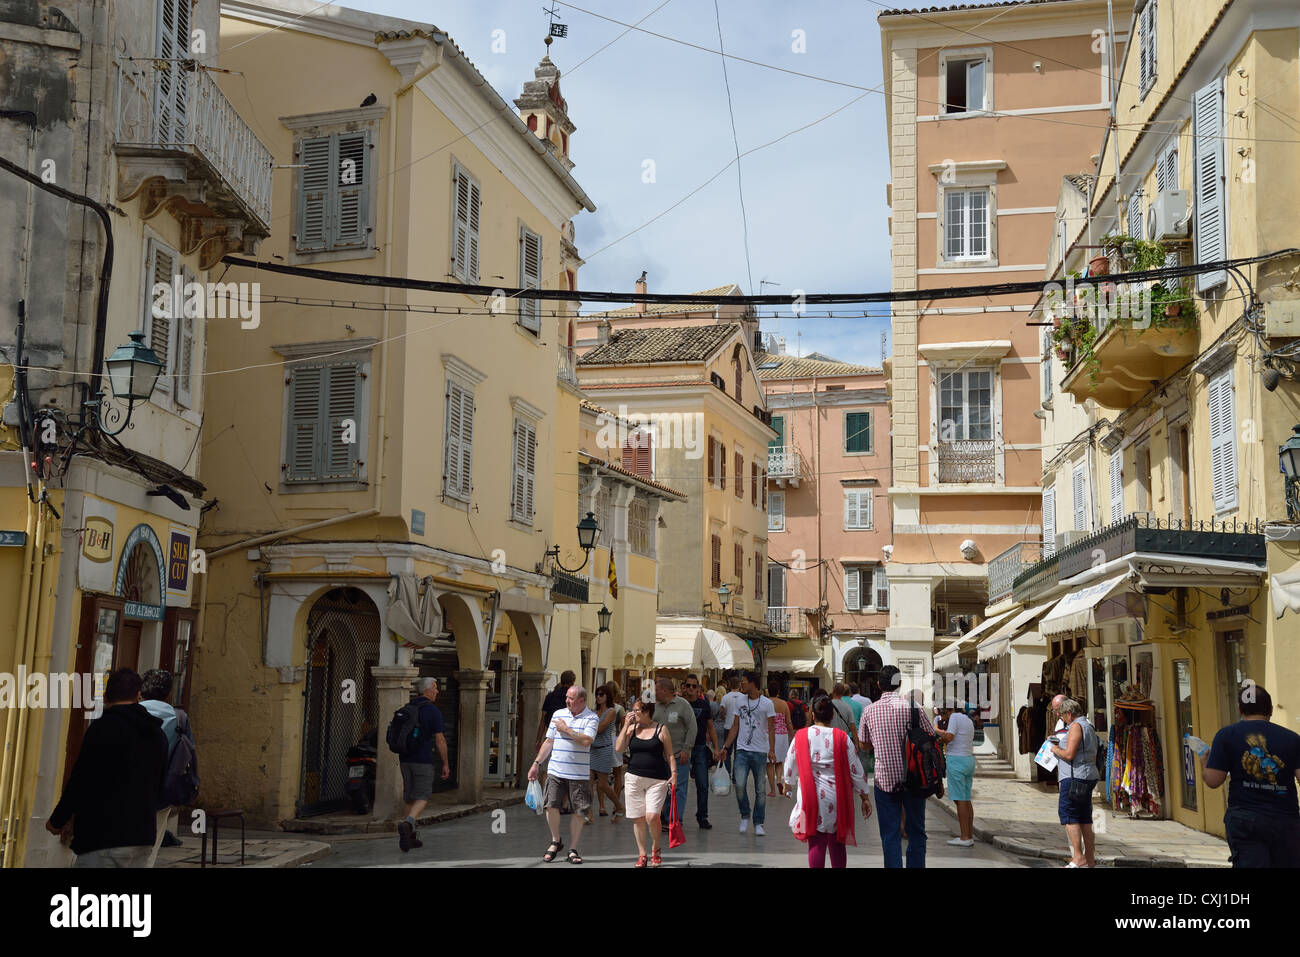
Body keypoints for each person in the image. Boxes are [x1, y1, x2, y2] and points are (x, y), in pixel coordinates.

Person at [46, 669, 169, 867]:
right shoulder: (157, 734)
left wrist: (58, 820)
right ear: (138, 696)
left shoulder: (103, 729)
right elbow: (160, 785)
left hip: (104, 837)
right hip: (142, 836)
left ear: (105, 696)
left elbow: (81, 780)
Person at [1202, 684, 1300, 867]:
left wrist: (1204, 765)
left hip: (1244, 820)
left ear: (1240, 708)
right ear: (1270, 709)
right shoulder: (1292, 738)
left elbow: (1214, 781)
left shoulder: (1226, 736)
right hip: (1284, 820)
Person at [783, 694, 872, 867]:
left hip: (810, 797)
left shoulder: (801, 736)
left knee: (815, 842)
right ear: (832, 716)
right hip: (836, 797)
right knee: (837, 842)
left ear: (812, 715)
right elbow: (856, 770)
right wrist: (865, 797)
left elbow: (789, 764)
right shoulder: (842, 738)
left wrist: (788, 784)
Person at [860, 665, 936, 868]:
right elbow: (930, 737)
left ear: (878, 685)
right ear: (899, 684)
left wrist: (881, 742)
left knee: (890, 834)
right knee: (917, 832)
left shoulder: (869, 711)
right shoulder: (914, 708)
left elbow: (863, 744)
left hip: (884, 780)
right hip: (914, 778)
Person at [528, 684, 599, 863]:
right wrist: (536, 763)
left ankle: (573, 849)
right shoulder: (558, 714)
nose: (567, 700)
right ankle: (555, 840)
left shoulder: (592, 718)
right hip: (555, 770)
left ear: (581, 700)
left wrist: (566, 729)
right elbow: (549, 741)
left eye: (571, 698)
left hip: (579, 774)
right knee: (550, 805)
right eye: (567, 697)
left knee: (579, 811)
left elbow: (586, 741)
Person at [139, 669, 195, 864]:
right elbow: (188, 752)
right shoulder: (179, 717)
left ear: (141, 691)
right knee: (151, 844)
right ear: (168, 694)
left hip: (128, 787)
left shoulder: (132, 712)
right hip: (162, 788)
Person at [616, 699, 677, 866]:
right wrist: (624, 727)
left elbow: (670, 754)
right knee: (638, 818)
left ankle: (655, 847)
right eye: (632, 710)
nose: (632, 713)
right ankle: (642, 854)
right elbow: (619, 748)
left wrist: (674, 774)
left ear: (646, 712)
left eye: (636, 710)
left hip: (657, 780)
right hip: (633, 778)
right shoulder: (631, 728)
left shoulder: (661, 729)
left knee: (652, 816)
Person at [719, 670, 776, 835]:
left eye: (744, 681)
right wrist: (726, 747)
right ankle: (745, 814)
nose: (741, 684)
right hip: (742, 750)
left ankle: (759, 822)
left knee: (760, 789)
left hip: (760, 751)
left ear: (753, 683)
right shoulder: (740, 701)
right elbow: (735, 726)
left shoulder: (767, 704)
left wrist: (771, 750)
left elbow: (771, 729)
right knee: (740, 785)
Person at [397, 677, 449, 852]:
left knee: (409, 797)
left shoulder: (407, 708)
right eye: (435, 688)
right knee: (423, 796)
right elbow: (440, 740)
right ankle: (408, 824)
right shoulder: (432, 711)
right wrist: (445, 763)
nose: (437, 691)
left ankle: (409, 838)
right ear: (426, 691)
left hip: (404, 759)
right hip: (423, 760)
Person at [1049, 696, 1099, 868]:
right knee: (1085, 817)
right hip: (1087, 775)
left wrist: (1055, 749)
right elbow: (1092, 754)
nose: (1062, 718)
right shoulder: (1088, 726)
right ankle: (1089, 859)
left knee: (1069, 815)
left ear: (1070, 714)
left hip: (1075, 777)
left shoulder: (1076, 726)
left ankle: (1078, 857)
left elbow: (1069, 754)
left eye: (1063, 715)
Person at [653, 677, 697, 833]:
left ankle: (675, 820)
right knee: (662, 788)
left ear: (664, 690)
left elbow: (692, 727)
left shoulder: (682, 705)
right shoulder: (655, 706)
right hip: (659, 757)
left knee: (678, 788)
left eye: (656, 689)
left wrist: (687, 749)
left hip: (679, 755)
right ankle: (665, 816)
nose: (654, 692)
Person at [935, 705, 976, 847]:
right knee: (965, 798)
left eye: (943, 714)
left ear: (950, 710)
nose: (943, 718)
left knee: (960, 799)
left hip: (957, 760)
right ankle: (969, 835)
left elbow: (950, 736)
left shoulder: (954, 717)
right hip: (968, 759)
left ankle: (964, 837)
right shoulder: (968, 720)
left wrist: (939, 737)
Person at [682, 674, 719, 828]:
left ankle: (702, 816)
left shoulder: (704, 705)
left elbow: (710, 727)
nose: (691, 689)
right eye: (688, 685)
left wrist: (716, 748)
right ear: (683, 687)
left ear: (698, 689)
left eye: (694, 686)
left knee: (703, 785)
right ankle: (675, 817)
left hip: (700, 748)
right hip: (682, 748)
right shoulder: (679, 704)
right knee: (679, 786)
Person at [536, 670, 576, 810]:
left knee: (547, 770)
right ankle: (563, 804)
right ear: (572, 682)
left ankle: (545, 799)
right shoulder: (572, 699)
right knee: (565, 771)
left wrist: (538, 738)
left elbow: (542, 720)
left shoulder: (550, 696)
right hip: (566, 738)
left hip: (550, 735)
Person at [589, 685, 624, 822]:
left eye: (601, 694)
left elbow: (601, 728)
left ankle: (619, 806)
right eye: (597, 694)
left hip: (604, 749)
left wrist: (588, 727)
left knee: (602, 784)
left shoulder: (611, 711)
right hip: (592, 749)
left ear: (607, 696)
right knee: (588, 782)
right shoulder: (593, 711)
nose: (598, 696)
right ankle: (589, 812)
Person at [605, 683, 629, 819]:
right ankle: (616, 803)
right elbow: (624, 727)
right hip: (615, 740)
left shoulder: (603, 708)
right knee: (617, 772)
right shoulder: (619, 708)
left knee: (601, 774)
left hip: (607, 740)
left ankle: (603, 805)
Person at [766, 682, 793, 797]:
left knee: (769, 763)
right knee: (779, 761)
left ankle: (772, 790)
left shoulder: (766, 703)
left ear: (768, 691)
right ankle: (779, 781)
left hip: (768, 734)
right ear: (778, 692)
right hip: (782, 735)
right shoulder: (784, 704)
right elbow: (788, 721)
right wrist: (791, 735)